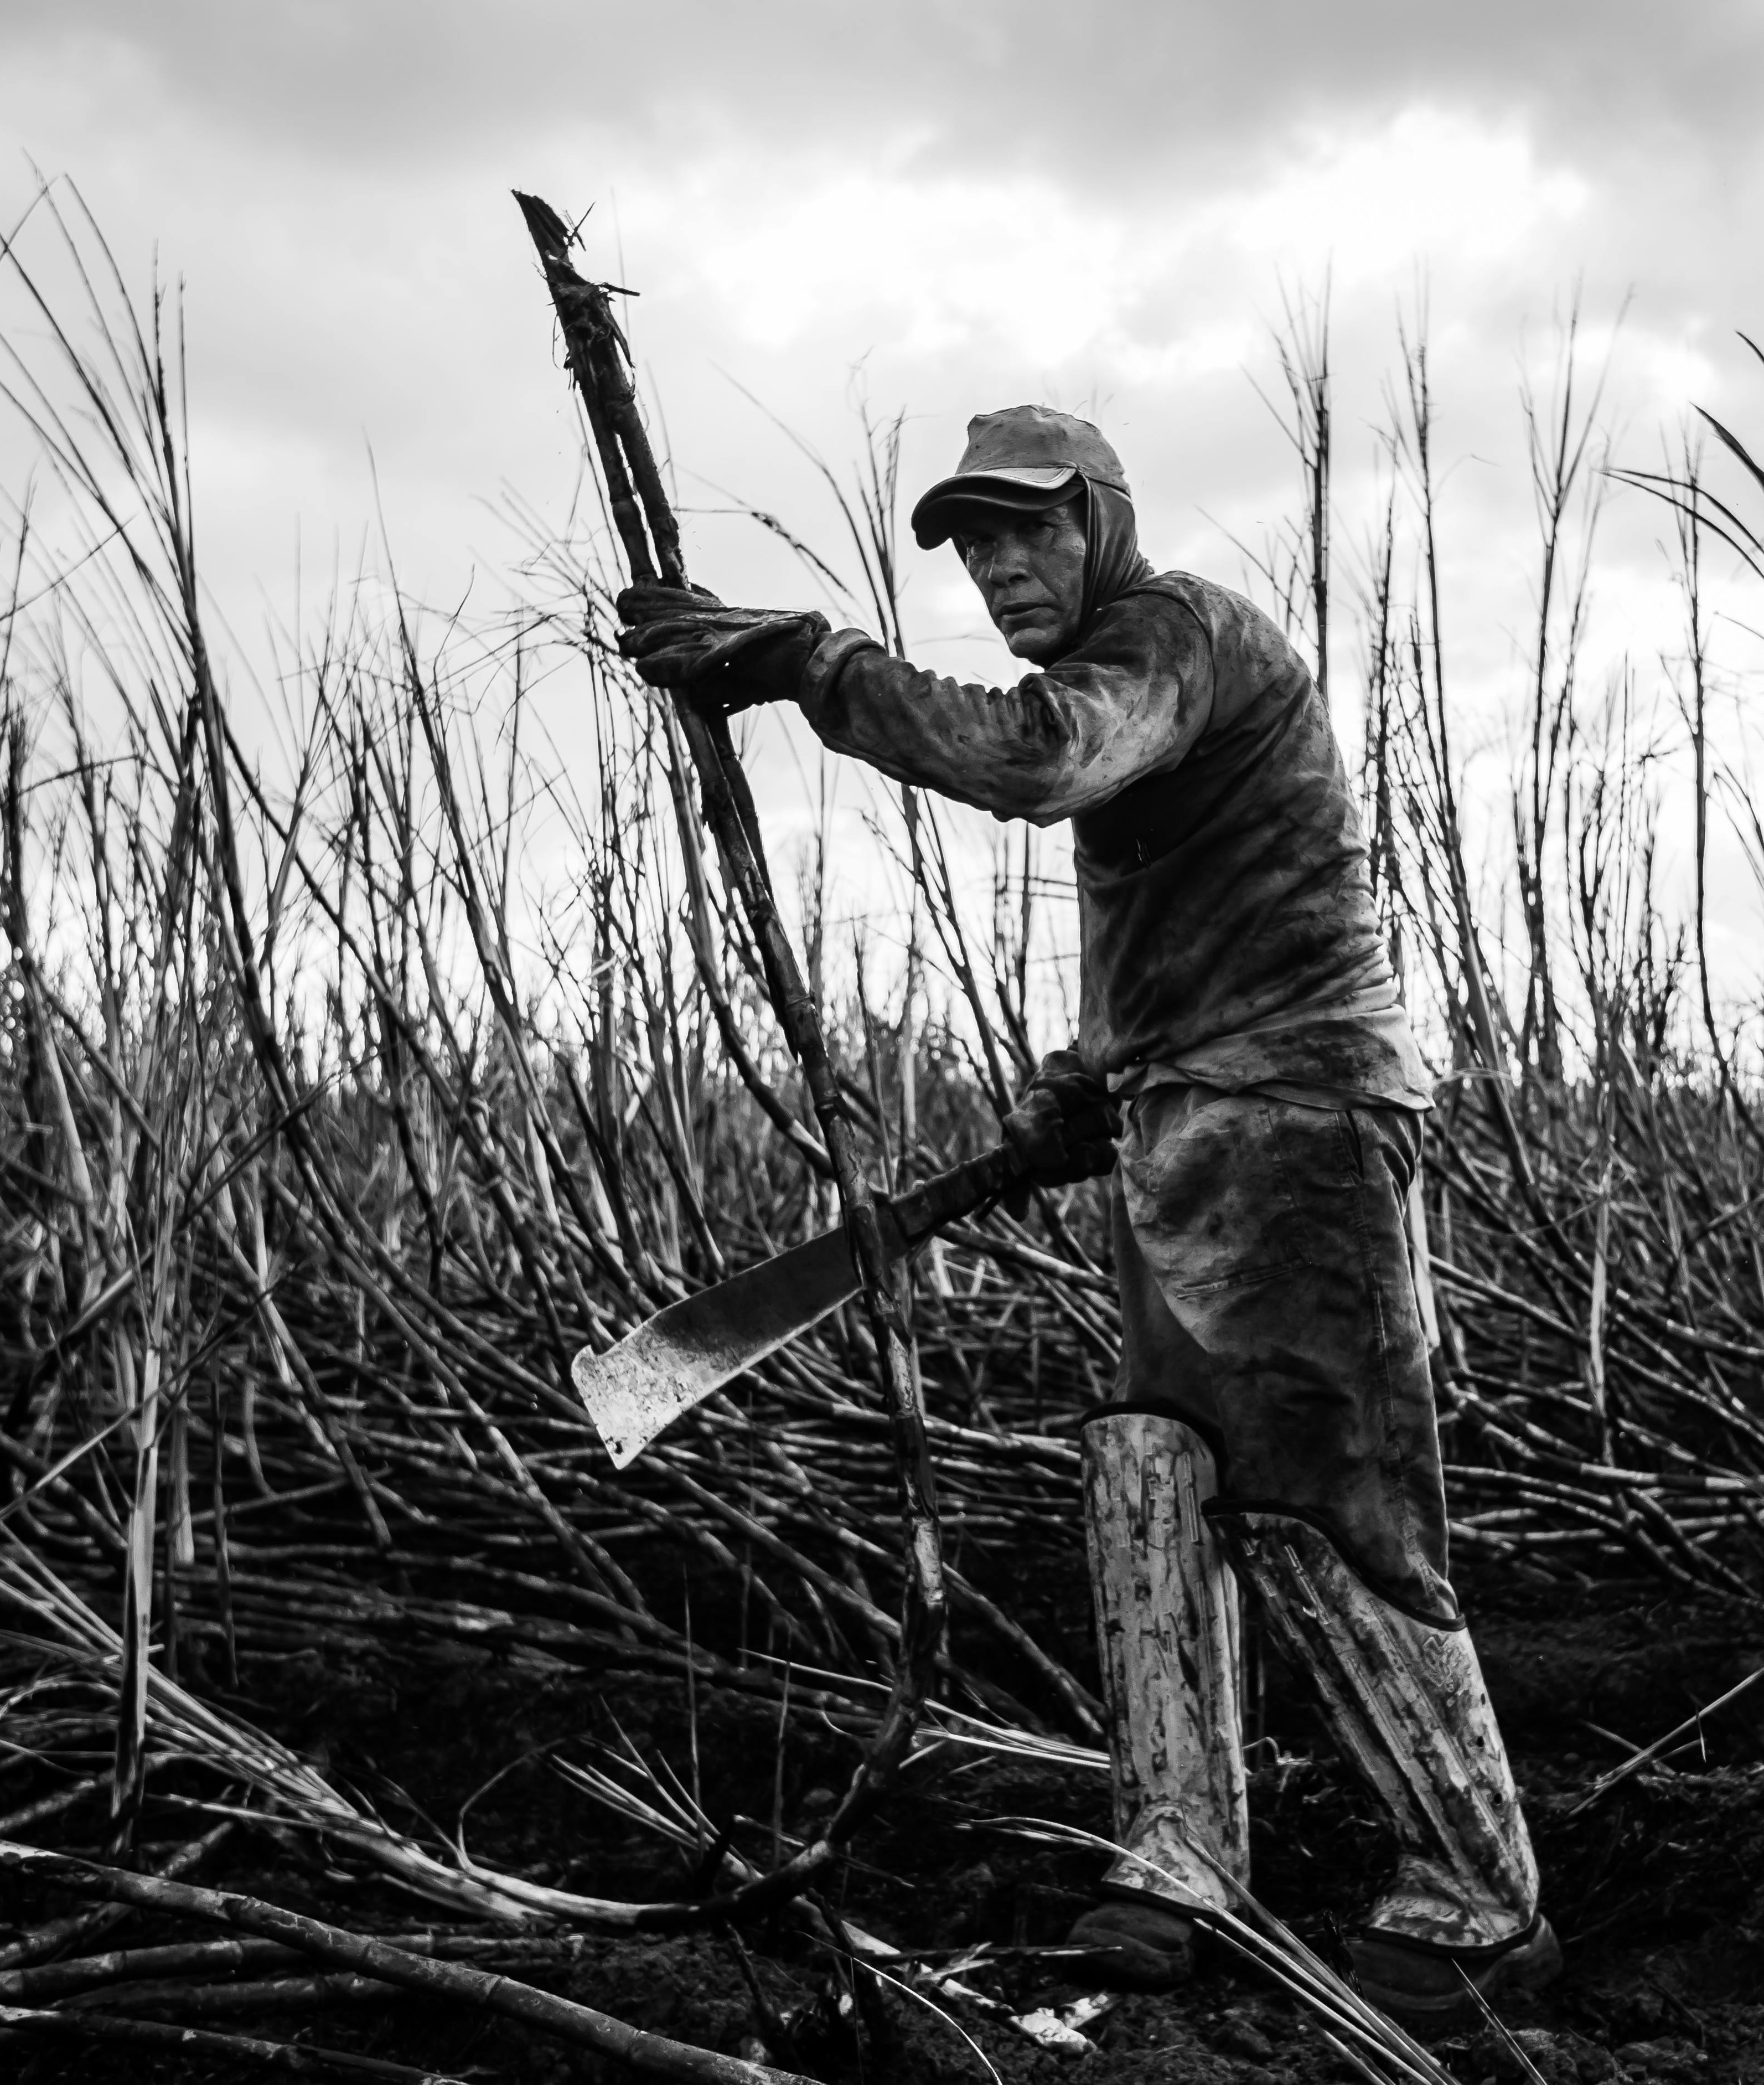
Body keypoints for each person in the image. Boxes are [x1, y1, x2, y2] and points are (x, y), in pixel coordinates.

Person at [618, 406, 1556, 2019]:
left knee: (1324, 1490)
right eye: (973, 543)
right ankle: (1177, 1858)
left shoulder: (1175, 633)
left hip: (1307, 1122)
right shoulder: (1145, 666)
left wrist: (805, 659)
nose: (995, 566)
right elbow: (1181, 915)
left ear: (1102, 523)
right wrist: (1091, 1076)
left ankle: (1478, 1894)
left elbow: (1040, 756)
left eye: (1026, 530)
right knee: (1152, 1469)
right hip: (1184, 1118)